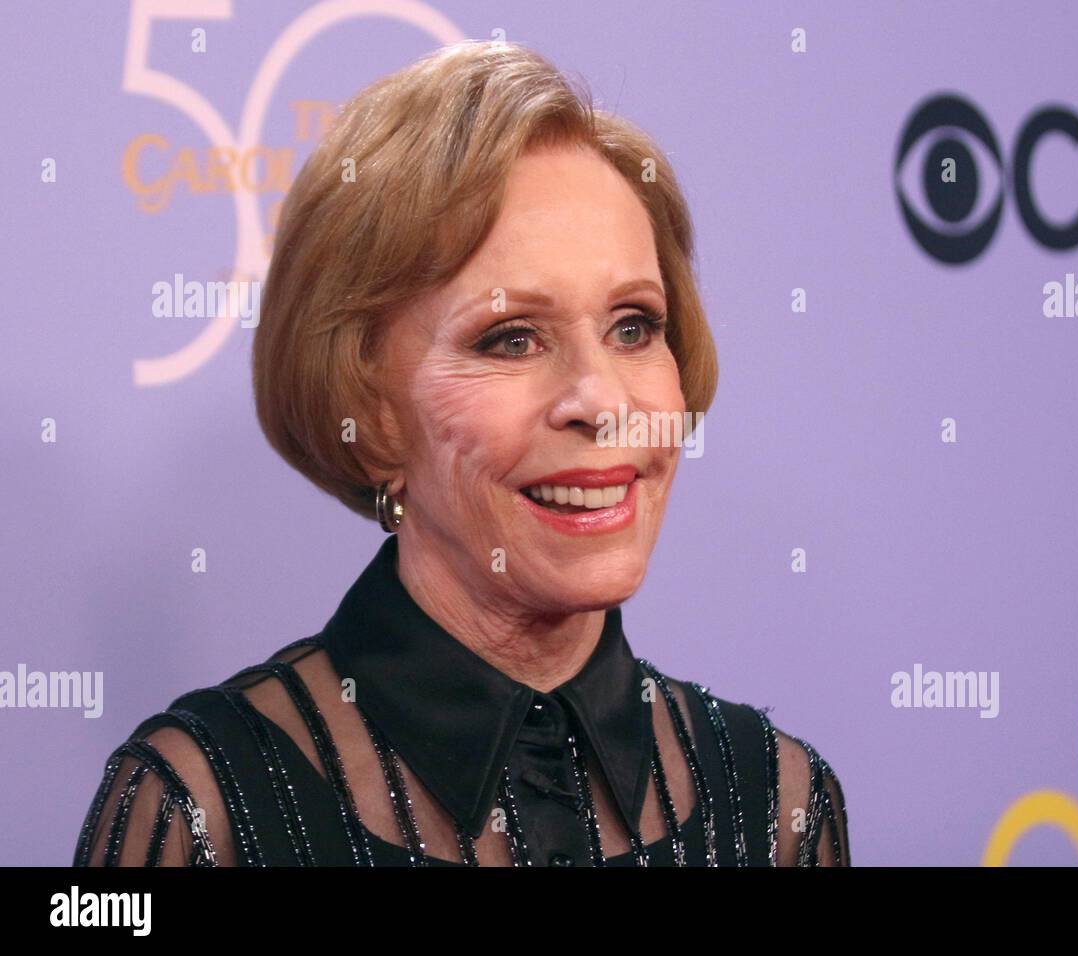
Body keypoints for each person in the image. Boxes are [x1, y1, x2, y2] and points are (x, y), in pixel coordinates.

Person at [74, 39, 849, 867]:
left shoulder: (776, 801)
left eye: (634, 327)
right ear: (368, 410)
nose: (603, 403)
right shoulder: (203, 805)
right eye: (512, 339)